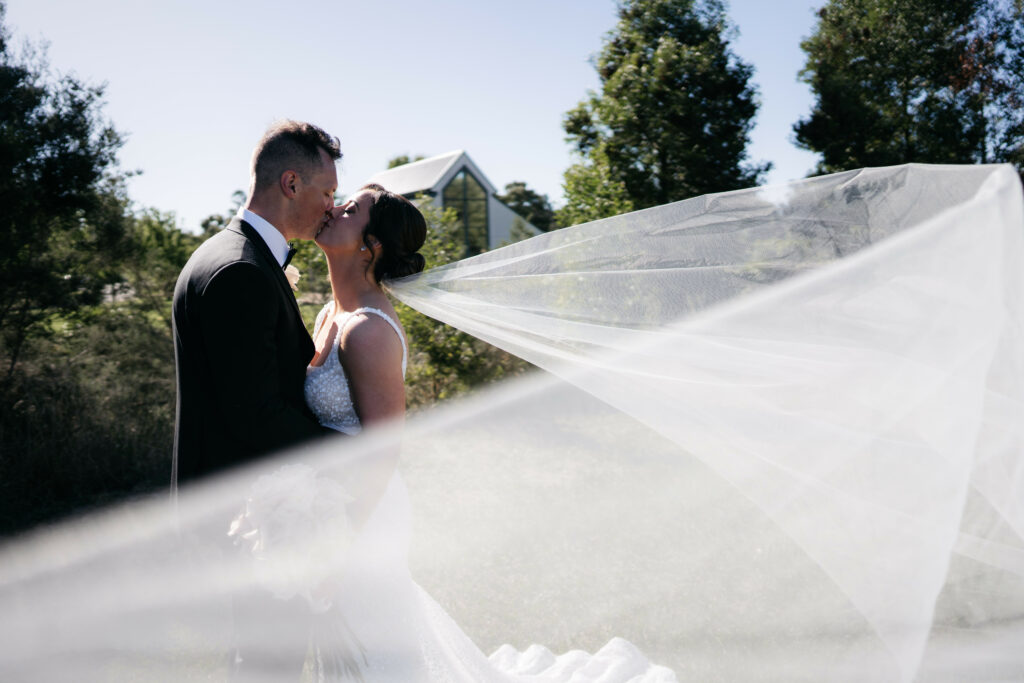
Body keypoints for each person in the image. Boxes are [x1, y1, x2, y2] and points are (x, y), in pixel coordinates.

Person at [171, 120, 342, 488]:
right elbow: (256, 415)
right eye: (328, 192)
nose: (332, 207)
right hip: (235, 513)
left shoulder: (228, 253)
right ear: (291, 184)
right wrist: (355, 453)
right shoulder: (241, 272)